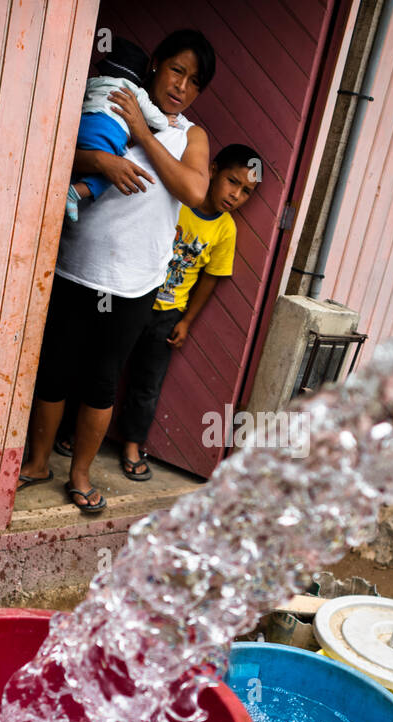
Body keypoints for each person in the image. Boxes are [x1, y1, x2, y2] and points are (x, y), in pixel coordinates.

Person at [19, 29, 215, 514]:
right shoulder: (112, 94)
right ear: (155, 62)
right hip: (75, 265)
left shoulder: (189, 135)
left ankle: (80, 473)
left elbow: (193, 191)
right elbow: (64, 154)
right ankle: (39, 461)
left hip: (134, 281)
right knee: (55, 370)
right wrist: (103, 161)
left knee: (103, 380)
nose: (181, 86)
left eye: (193, 82)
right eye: (176, 70)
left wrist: (144, 136)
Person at [118, 144, 262, 481]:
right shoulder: (177, 201)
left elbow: (210, 278)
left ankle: (131, 444)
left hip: (168, 314)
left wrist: (185, 321)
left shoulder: (226, 230)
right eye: (232, 181)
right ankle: (74, 432)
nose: (236, 195)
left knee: (147, 384)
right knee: (106, 368)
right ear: (212, 170)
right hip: (134, 296)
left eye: (246, 191)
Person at [66, 37, 170, 222]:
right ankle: (74, 193)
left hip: (81, 127)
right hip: (106, 135)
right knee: (115, 173)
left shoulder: (94, 81)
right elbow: (159, 122)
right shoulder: (135, 92)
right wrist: (166, 120)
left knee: (75, 166)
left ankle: (65, 188)